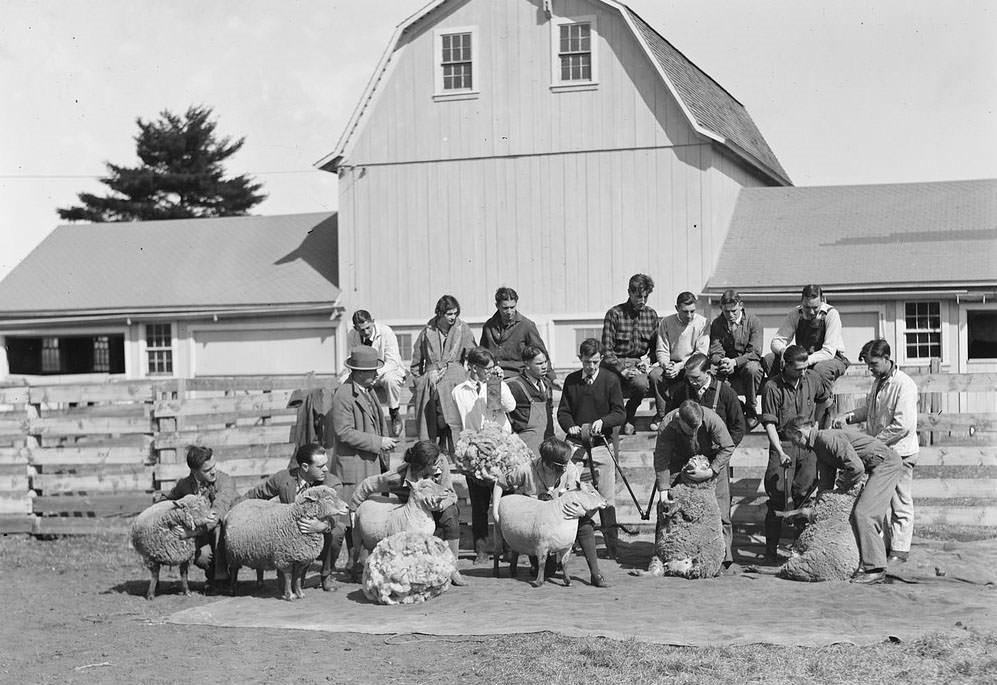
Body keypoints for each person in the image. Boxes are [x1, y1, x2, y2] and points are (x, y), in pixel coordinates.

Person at [784, 417, 906, 584]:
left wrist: (841, 487)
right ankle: (866, 561)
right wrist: (819, 505)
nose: (794, 445)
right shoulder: (819, 447)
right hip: (876, 466)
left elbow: (856, 468)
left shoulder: (826, 439)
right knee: (859, 513)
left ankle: (875, 569)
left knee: (865, 514)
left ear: (799, 434)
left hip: (886, 465)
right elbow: (826, 483)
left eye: (793, 440)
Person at [833, 339, 919, 564]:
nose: (870, 369)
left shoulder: (904, 385)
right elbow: (870, 410)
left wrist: (872, 443)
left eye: (873, 364)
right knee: (878, 501)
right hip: (881, 454)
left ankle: (900, 551)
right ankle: (884, 547)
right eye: (868, 365)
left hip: (900, 453)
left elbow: (903, 425)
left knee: (900, 501)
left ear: (886, 358)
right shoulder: (879, 382)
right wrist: (848, 417)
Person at [491, 437, 611, 587]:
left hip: (563, 518)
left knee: (585, 526)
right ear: (549, 463)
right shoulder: (527, 470)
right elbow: (500, 483)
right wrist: (496, 511)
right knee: (547, 572)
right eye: (563, 464)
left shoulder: (571, 470)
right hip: (536, 525)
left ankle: (595, 573)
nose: (567, 466)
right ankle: (544, 564)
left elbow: (576, 497)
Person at [350, 440, 466, 586]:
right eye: (434, 462)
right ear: (423, 466)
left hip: (436, 508)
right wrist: (354, 509)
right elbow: (367, 485)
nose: (438, 463)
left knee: (451, 513)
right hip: (410, 510)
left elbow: (450, 494)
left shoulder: (441, 463)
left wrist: (440, 504)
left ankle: (452, 567)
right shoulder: (397, 477)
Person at [759, 344, 832, 562]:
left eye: (805, 367)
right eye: (798, 369)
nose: (802, 372)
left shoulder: (812, 378)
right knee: (778, 496)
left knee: (805, 497)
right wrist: (780, 451)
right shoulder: (772, 386)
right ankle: (770, 551)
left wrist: (816, 429)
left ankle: (799, 551)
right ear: (785, 365)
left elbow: (824, 402)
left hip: (808, 445)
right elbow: (770, 424)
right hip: (784, 443)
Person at [240, 443, 347, 592]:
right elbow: (255, 494)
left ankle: (326, 574)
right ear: (304, 467)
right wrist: (236, 511)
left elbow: (335, 515)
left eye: (325, 464)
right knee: (286, 586)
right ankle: (289, 571)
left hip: (316, 531)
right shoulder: (283, 478)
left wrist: (322, 526)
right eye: (320, 466)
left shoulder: (331, 483)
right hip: (287, 536)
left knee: (337, 531)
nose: (326, 469)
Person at [557, 338, 626, 559]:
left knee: (606, 498)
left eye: (596, 362)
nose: (592, 367)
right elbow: (563, 412)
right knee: (570, 493)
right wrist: (571, 427)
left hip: (601, 446)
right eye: (587, 362)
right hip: (576, 446)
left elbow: (620, 413)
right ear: (580, 359)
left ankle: (612, 547)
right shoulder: (571, 381)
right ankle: (571, 542)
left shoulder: (610, 380)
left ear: (601, 359)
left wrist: (603, 422)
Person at [653, 401, 737, 570]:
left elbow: (728, 446)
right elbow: (661, 457)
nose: (694, 432)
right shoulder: (668, 424)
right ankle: (663, 556)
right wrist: (663, 490)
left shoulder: (713, 419)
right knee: (666, 507)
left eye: (697, 428)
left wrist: (711, 471)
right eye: (690, 429)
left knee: (720, 508)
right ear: (679, 420)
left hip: (711, 462)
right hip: (679, 460)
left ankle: (722, 558)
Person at [452, 346, 516, 563]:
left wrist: (496, 384)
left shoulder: (496, 384)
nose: (490, 371)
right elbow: (457, 423)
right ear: (473, 367)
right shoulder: (459, 392)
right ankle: (481, 549)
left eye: (492, 367)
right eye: (486, 369)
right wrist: (463, 449)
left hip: (500, 449)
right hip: (475, 451)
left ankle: (508, 547)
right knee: (479, 504)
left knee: (505, 503)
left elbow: (509, 406)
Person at [157, 445, 238, 592]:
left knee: (218, 528)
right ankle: (212, 577)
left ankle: (224, 578)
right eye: (207, 470)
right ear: (194, 471)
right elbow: (171, 498)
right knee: (202, 558)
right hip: (204, 534)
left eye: (214, 466)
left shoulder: (225, 481)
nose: (213, 471)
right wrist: (158, 504)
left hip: (228, 532)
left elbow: (217, 514)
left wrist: (190, 533)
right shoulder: (185, 485)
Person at [329, 347, 398, 505]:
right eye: (372, 371)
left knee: (371, 516)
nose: (376, 374)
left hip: (370, 464)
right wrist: (379, 442)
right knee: (353, 517)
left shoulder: (368, 390)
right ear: (359, 372)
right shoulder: (343, 395)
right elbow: (344, 432)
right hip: (355, 469)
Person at [409, 295, 477, 450]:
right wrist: (421, 381)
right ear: (440, 313)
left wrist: (468, 376)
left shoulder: (463, 329)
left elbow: (473, 355)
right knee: (432, 413)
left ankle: (456, 449)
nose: (453, 317)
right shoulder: (427, 331)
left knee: (453, 411)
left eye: (455, 313)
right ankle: (433, 449)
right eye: (449, 314)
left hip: (455, 378)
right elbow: (416, 364)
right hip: (432, 380)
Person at [601, 273, 664, 434]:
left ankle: (628, 416)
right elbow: (606, 351)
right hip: (613, 364)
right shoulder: (614, 313)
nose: (642, 300)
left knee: (642, 385)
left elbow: (656, 349)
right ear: (629, 292)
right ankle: (610, 422)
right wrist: (623, 371)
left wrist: (647, 362)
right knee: (608, 385)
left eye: (645, 297)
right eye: (638, 296)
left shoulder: (651, 315)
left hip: (637, 363)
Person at [767, 284, 849, 392]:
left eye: (815, 308)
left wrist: (804, 361)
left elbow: (828, 352)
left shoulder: (831, 315)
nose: (811, 312)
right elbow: (777, 341)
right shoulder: (795, 314)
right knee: (770, 359)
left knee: (820, 369)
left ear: (822, 300)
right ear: (801, 302)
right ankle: (783, 397)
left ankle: (825, 405)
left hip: (832, 358)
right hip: (804, 358)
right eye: (807, 307)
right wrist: (783, 351)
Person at [654, 291, 710, 429]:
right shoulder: (666, 322)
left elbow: (701, 353)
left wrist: (681, 366)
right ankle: (663, 415)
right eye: (685, 312)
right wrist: (666, 365)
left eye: (692, 311)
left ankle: (690, 414)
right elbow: (662, 349)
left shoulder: (703, 323)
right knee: (655, 376)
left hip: (691, 363)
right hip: (671, 363)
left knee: (692, 376)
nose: (689, 316)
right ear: (676, 308)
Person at [346, 310, 407, 437]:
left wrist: (374, 373)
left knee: (390, 380)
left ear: (373, 322)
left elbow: (393, 362)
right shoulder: (352, 335)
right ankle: (356, 418)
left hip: (388, 371)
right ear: (355, 328)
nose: (366, 332)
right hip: (366, 374)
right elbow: (353, 359)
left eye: (368, 328)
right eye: (361, 330)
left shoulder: (386, 332)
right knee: (345, 382)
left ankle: (394, 413)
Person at [708, 289, 765, 425]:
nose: (730, 315)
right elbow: (715, 351)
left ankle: (751, 410)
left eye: (734, 311)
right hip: (726, 365)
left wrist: (735, 362)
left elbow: (755, 352)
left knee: (753, 369)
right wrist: (723, 362)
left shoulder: (753, 321)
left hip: (746, 363)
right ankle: (731, 408)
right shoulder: (717, 323)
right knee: (709, 372)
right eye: (726, 311)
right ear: (721, 308)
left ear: (741, 305)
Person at [665, 352, 746, 448]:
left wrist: (725, 449)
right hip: (688, 452)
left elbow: (738, 427)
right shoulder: (681, 392)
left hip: (717, 453)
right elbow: (670, 421)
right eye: (689, 377)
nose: (691, 382)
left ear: (707, 373)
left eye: (695, 378)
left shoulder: (726, 393)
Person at [479, 286, 556, 383]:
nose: (509, 312)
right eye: (505, 308)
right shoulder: (488, 326)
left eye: (512, 307)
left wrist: (552, 378)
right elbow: (482, 354)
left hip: (519, 378)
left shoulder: (527, 325)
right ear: (497, 306)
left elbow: (541, 353)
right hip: (493, 377)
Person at [507, 345, 555, 457]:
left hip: (548, 447)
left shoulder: (546, 384)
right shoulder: (515, 386)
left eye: (545, 362)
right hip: (526, 449)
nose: (544, 367)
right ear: (527, 365)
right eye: (539, 364)